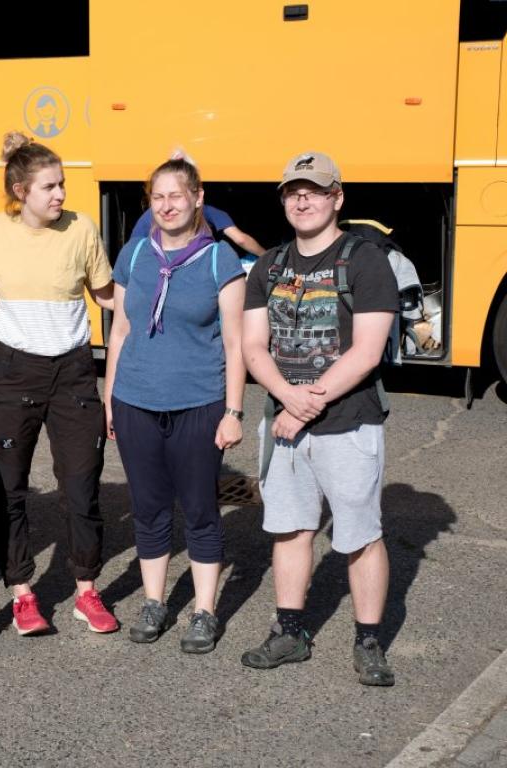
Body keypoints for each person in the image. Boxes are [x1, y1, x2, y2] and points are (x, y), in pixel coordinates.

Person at [241, 151, 398, 686]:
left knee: (360, 534)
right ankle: (290, 632)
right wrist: (288, 397)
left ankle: (370, 640)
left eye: (313, 190)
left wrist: (308, 401)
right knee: (290, 529)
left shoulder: (365, 260)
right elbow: (253, 346)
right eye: (292, 191)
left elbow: (369, 351)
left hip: (350, 422)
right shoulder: (269, 265)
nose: (301, 199)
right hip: (283, 420)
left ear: (337, 198)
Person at [0, 132, 117, 636]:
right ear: (21, 191)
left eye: (62, 185)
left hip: (73, 373)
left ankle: (86, 591)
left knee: (81, 487)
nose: (60, 195)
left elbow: (106, 296)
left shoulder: (82, 229)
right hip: (14, 372)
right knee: (10, 488)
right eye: (49, 187)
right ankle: (22, 592)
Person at [104, 153, 246, 653]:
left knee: (202, 509)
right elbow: (119, 330)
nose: (166, 206)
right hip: (135, 400)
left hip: (200, 402)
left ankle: (204, 611)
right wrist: (109, 399)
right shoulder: (136, 255)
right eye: (157, 197)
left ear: (197, 198)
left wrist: (233, 412)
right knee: (148, 508)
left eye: (176, 195)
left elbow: (235, 344)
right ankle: (154, 602)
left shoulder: (218, 260)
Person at [129, 202, 266, 272]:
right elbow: (240, 239)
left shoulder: (150, 215)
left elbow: (132, 254)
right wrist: (267, 255)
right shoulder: (209, 211)